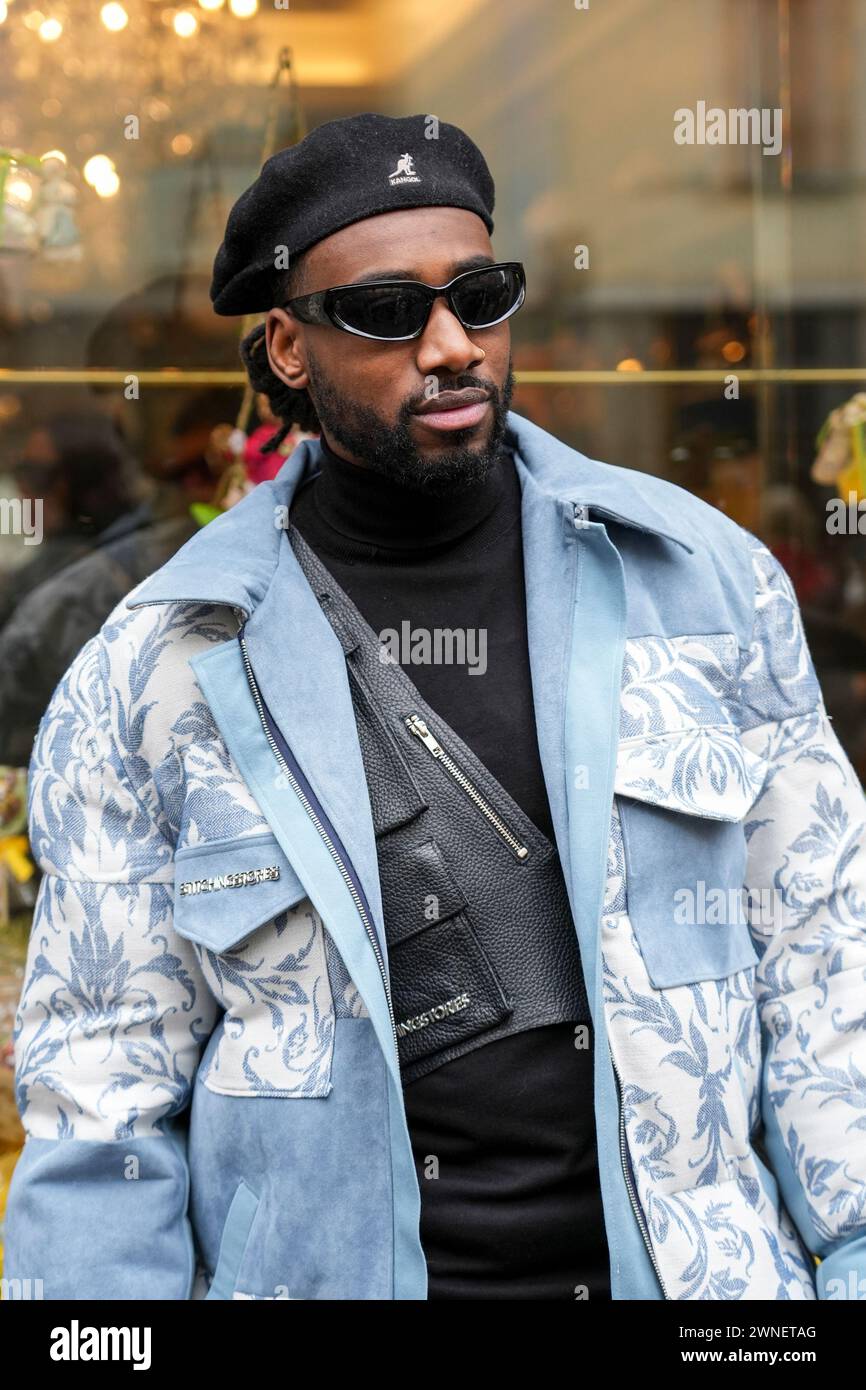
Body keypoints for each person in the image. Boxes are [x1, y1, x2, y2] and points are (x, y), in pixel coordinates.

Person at [4, 112, 865, 1302]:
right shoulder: (159, 665)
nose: (453, 345)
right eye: (386, 311)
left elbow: (827, 976)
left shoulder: (701, 586)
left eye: (480, 295)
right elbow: (102, 1094)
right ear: (289, 348)